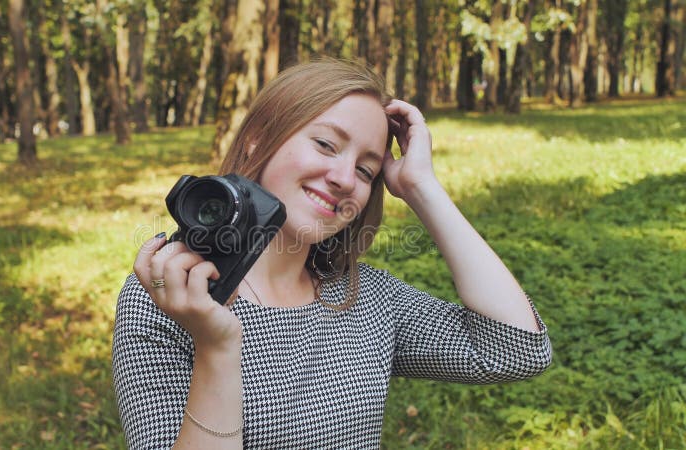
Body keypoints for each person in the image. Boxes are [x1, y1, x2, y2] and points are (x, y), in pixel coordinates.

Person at [112, 58, 552, 449]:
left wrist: (422, 188)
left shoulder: (367, 298)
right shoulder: (166, 296)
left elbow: (517, 349)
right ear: (258, 137)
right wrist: (216, 347)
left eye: (366, 170)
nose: (344, 178)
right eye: (325, 144)